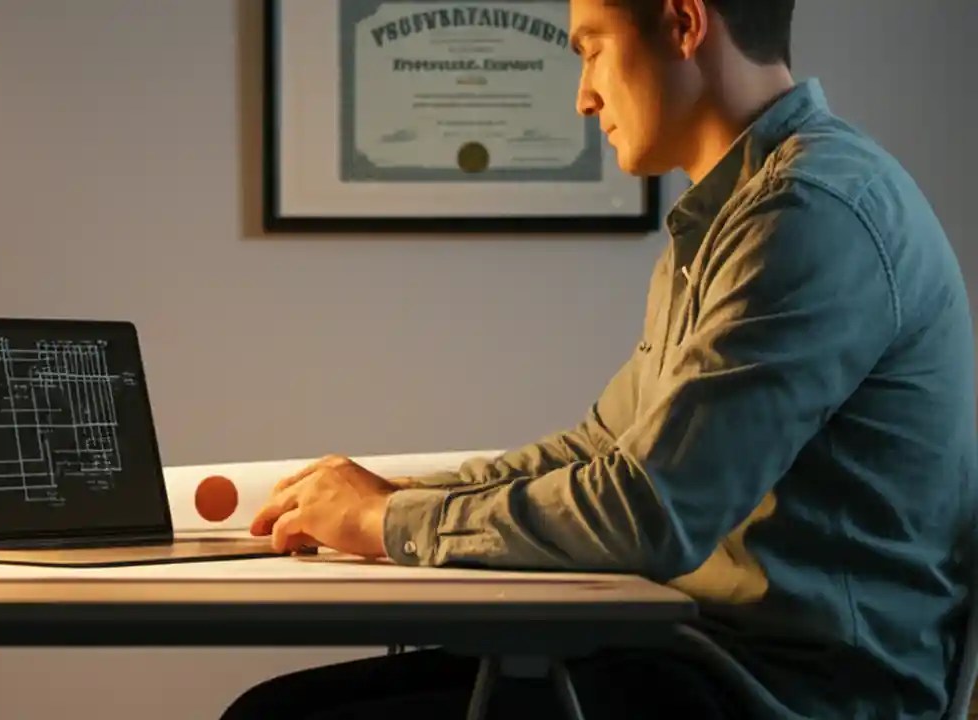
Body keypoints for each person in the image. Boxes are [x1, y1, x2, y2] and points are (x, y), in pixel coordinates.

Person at [225, 0, 976, 717]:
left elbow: (651, 511)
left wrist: (388, 520)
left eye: (590, 49)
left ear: (683, 23)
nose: (583, 96)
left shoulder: (810, 213)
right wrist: (391, 496)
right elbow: (602, 447)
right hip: (698, 654)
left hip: (789, 693)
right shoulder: (738, 211)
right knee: (273, 708)